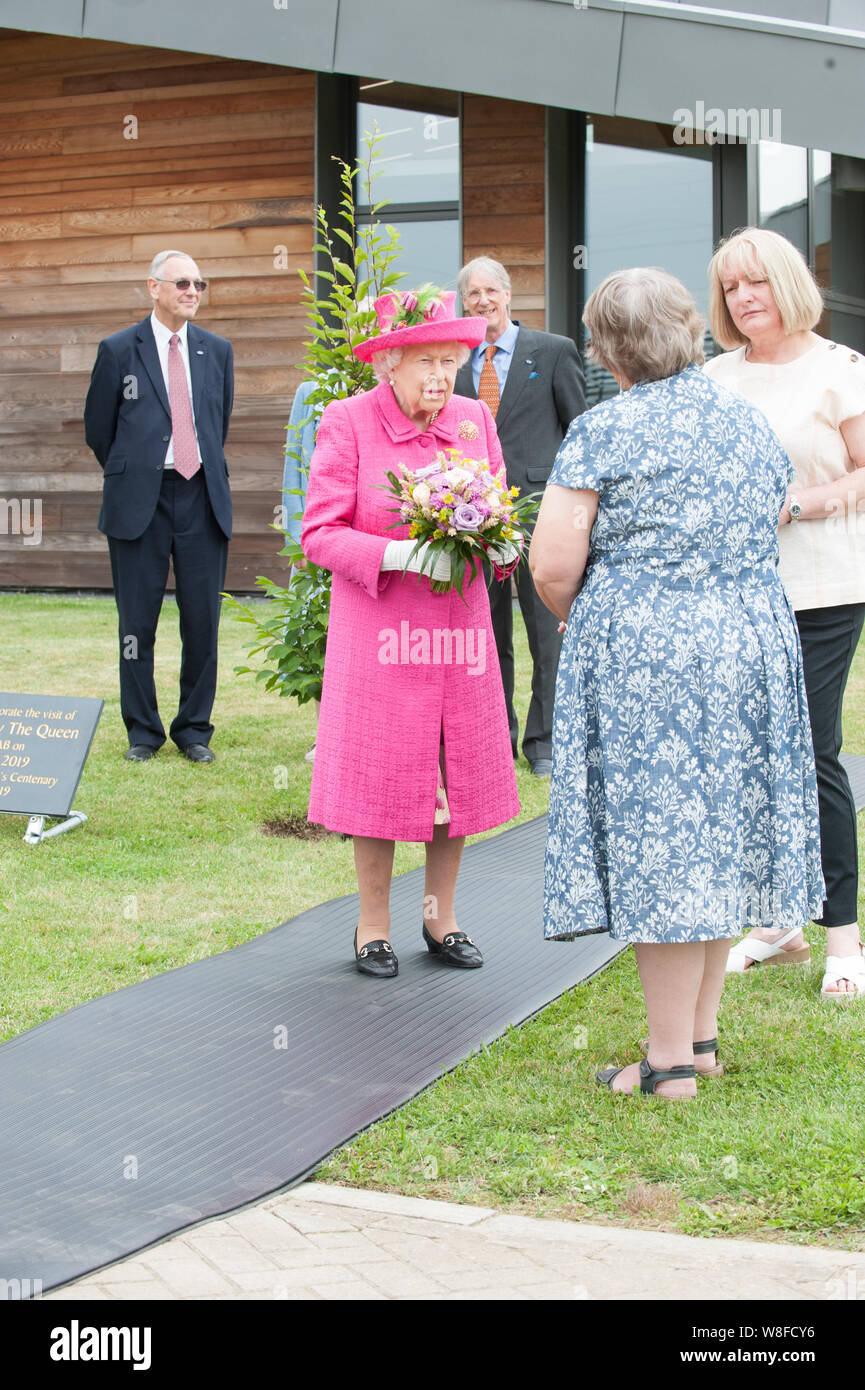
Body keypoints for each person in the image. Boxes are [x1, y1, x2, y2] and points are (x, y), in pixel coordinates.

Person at [530, 268, 823, 1098]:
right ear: (689, 329)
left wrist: (589, 611)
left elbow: (553, 564)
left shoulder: (603, 430)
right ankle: (697, 1040)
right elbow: (766, 520)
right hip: (746, 641)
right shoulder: (747, 422)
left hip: (647, 655)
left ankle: (665, 1067)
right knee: (717, 833)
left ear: (605, 349)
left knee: (662, 845)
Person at [301, 288, 520, 977]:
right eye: (424, 360)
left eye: (448, 361)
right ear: (388, 364)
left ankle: (440, 920)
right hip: (380, 635)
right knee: (381, 777)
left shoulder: (471, 417)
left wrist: (503, 545)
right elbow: (318, 534)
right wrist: (395, 553)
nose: (437, 376)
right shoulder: (347, 421)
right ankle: (371, 929)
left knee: (452, 777)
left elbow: (499, 504)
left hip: (457, 632)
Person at [705, 227, 865, 1000]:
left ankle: (843, 935)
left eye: (755, 282)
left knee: (811, 751)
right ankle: (776, 924)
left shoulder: (841, 372)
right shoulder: (711, 379)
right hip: (733, 594)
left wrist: (797, 505)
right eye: (731, 287)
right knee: (748, 756)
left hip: (822, 590)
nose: (743, 298)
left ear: (788, 283)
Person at [84, 250, 233, 763]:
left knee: (202, 621)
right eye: (183, 283)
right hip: (138, 501)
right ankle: (143, 732)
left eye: (200, 283)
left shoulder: (217, 351)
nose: (193, 291)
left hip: (201, 498)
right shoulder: (118, 350)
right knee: (136, 624)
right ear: (154, 287)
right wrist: (138, 468)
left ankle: (193, 729)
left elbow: (218, 424)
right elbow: (99, 430)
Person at [455, 257, 586, 777]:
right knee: (486, 631)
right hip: (469, 516)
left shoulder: (553, 352)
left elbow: (578, 434)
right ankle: (496, 737)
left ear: (508, 295)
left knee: (545, 625)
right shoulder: (455, 360)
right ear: (463, 302)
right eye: (472, 295)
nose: (482, 301)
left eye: (491, 291)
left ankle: (545, 743)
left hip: (539, 511)